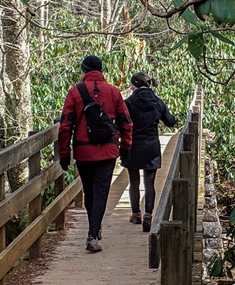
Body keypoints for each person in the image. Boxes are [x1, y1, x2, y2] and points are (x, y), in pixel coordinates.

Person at [58, 55, 133, 253]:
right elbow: (126, 122)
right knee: (101, 192)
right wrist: (125, 148)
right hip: (107, 151)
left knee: (89, 192)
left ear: (84, 71)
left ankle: (94, 228)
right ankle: (93, 233)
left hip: (83, 151)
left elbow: (65, 125)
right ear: (101, 72)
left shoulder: (75, 92)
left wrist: (64, 154)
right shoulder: (113, 92)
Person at [123, 72, 178, 232]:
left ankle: (135, 214)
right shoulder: (157, 102)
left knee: (133, 182)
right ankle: (148, 214)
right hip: (151, 146)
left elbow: (121, 122)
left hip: (133, 145)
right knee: (149, 183)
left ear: (134, 85)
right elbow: (170, 122)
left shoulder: (128, 102)